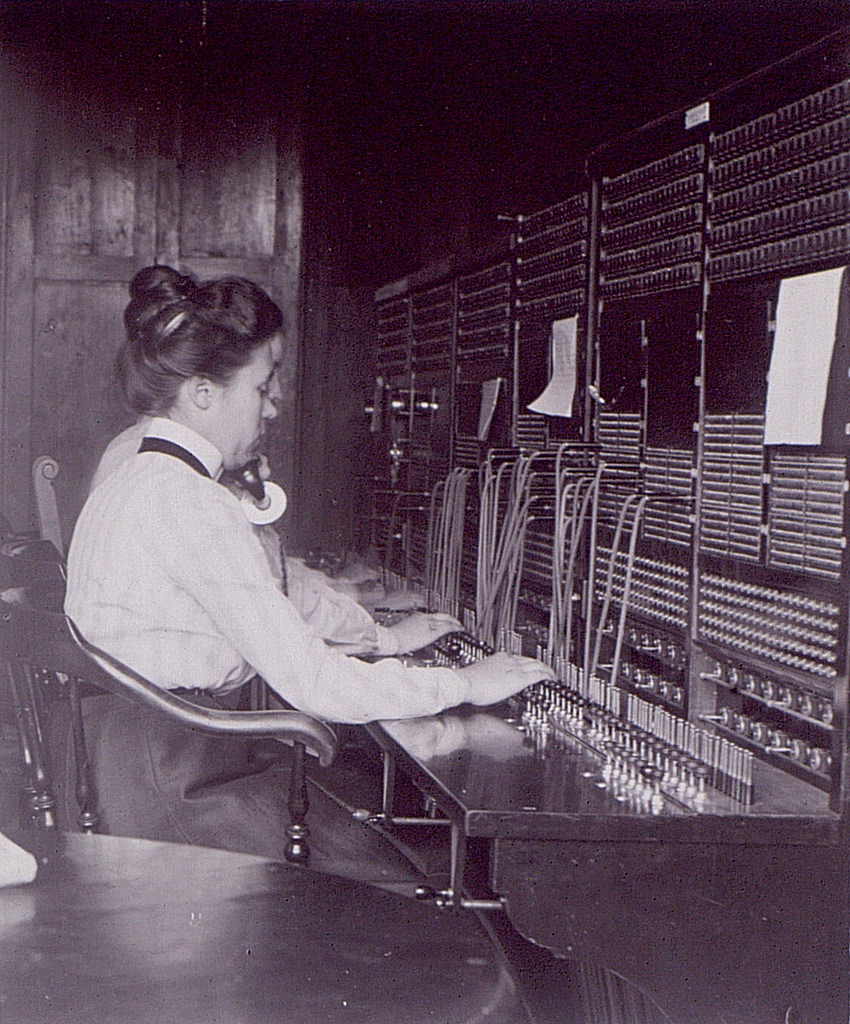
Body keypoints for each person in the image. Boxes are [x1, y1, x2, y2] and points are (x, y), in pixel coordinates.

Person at [61, 264, 553, 883]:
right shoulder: (187, 501)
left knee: (387, 849)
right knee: (412, 888)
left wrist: (387, 644)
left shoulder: (139, 477)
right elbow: (314, 683)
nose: (272, 408)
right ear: (203, 393)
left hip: (153, 761)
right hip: (176, 786)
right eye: (263, 387)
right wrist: (465, 683)